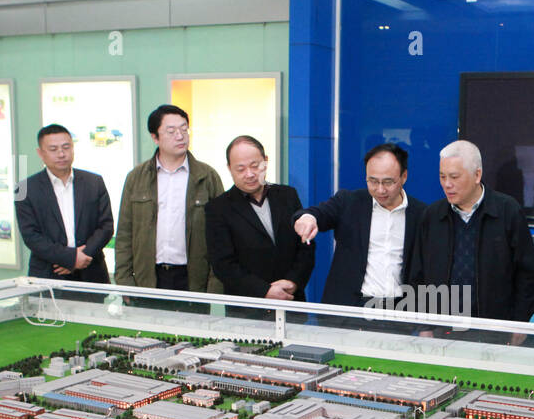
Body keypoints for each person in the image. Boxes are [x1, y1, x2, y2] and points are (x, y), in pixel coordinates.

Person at [407, 140, 534, 331]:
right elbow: (417, 276)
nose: (447, 184)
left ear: (477, 174)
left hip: (494, 329)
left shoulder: (507, 211)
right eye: (442, 176)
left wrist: (519, 324)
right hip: (441, 329)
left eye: (454, 177)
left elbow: (528, 276)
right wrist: (424, 326)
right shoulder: (432, 216)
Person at [292, 143, 426, 307]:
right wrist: (308, 218)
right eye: (373, 181)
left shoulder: (421, 214)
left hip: (399, 309)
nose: (380, 190)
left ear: (404, 176)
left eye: (388, 182)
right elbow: (319, 213)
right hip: (351, 308)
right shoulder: (349, 202)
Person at [114, 104, 224, 292]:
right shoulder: (137, 177)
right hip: (148, 278)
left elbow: (221, 236)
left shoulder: (207, 177)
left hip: (193, 279)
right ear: (155, 137)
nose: (180, 136)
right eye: (171, 131)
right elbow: (125, 233)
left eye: (184, 129)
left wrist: (214, 285)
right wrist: (124, 281)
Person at [205, 135, 314, 300]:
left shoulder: (287, 195)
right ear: (229, 168)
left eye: (255, 166)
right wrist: (264, 291)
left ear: (266, 161)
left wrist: (293, 282)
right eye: (240, 169)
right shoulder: (218, 208)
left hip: (291, 301)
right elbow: (223, 264)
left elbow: (306, 246)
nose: (249, 174)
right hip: (247, 309)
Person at [15, 124, 114, 283]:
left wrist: (82, 257)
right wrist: (70, 258)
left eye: (66, 147)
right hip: (48, 274)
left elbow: (106, 226)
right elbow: (30, 235)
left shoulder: (94, 182)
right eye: (53, 149)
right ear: (40, 153)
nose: (61, 154)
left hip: (91, 273)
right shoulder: (23, 188)